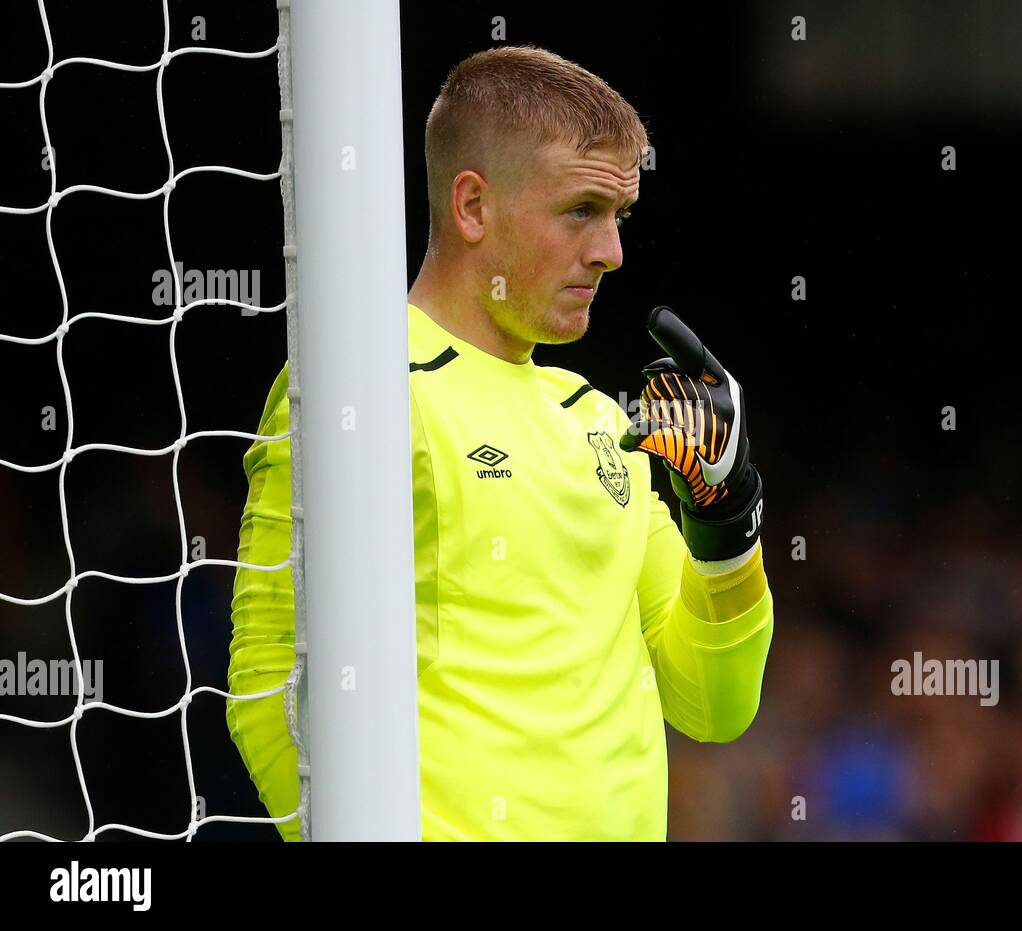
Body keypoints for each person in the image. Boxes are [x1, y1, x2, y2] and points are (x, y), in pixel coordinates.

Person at [226, 45, 774, 841]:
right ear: (473, 206)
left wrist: (727, 522)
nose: (610, 253)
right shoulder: (365, 388)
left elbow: (714, 705)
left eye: (618, 218)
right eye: (581, 211)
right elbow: (265, 685)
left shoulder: (601, 421)